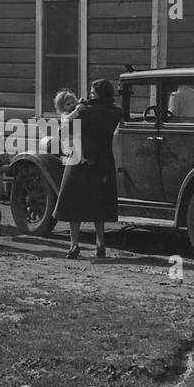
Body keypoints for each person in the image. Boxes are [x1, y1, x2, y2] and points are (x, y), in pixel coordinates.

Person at [51, 79, 123, 259]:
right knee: (99, 208)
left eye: (92, 91)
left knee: (74, 207)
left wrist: (78, 109)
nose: (90, 93)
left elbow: (62, 132)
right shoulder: (116, 111)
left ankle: (74, 245)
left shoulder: (84, 112)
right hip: (103, 162)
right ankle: (101, 244)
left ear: (98, 93)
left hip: (79, 162)